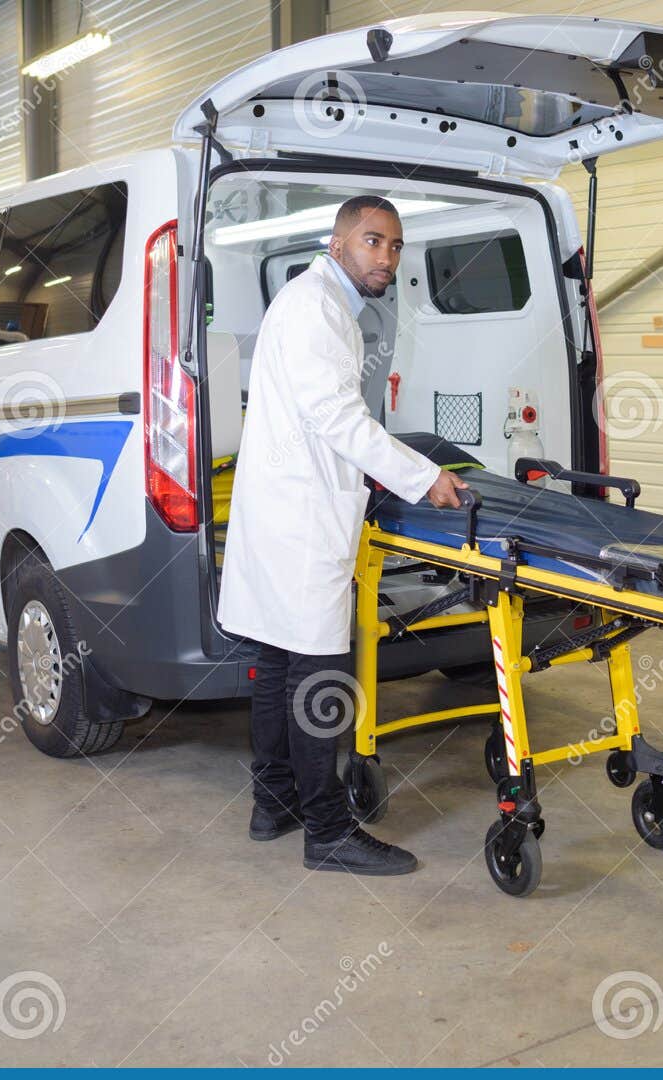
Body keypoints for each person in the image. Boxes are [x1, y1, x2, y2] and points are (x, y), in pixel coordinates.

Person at [217, 195, 467, 877]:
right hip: (300, 520)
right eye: (371, 241)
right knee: (315, 674)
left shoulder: (316, 303)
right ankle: (326, 832)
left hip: (283, 510)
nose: (385, 256)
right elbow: (339, 418)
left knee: (274, 662)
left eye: (393, 245)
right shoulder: (317, 310)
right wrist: (423, 477)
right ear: (337, 244)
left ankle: (273, 804)